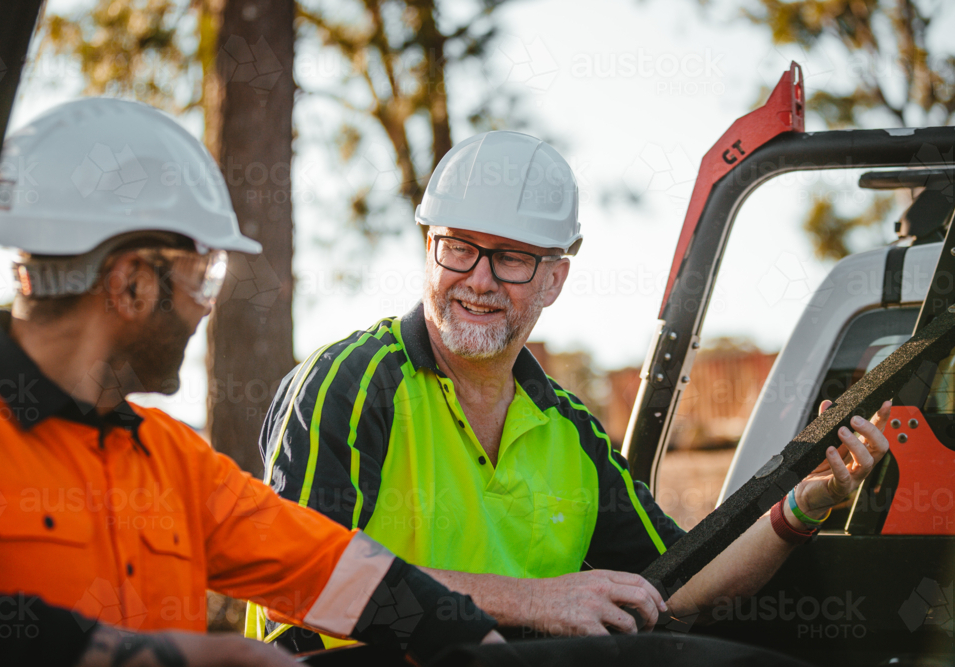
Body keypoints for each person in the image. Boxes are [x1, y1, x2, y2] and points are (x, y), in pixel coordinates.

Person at [250, 130, 892, 647]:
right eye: (459, 248)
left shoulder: (569, 432)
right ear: (429, 248)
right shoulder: (348, 383)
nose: (477, 280)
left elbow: (677, 588)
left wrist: (804, 506)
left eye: (511, 258)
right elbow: (301, 582)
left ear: (554, 278)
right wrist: (531, 599)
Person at [0, 98, 501, 667]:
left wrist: (468, 640)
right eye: (203, 277)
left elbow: (320, 567)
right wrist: (188, 658)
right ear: (133, 283)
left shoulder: (170, 458)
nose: (206, 309)